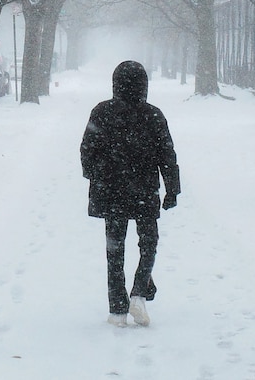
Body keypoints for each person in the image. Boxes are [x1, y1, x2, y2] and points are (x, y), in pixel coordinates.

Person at [80, 60, 180, 327]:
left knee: (115, 249)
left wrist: (95, 175)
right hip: (144, 190)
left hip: (111, 191)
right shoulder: (154, 115)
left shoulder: (101, 112)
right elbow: (167, 155)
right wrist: (172, 188)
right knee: (148, 243)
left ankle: (117, 309)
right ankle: (139, 292)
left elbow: (87, 149)